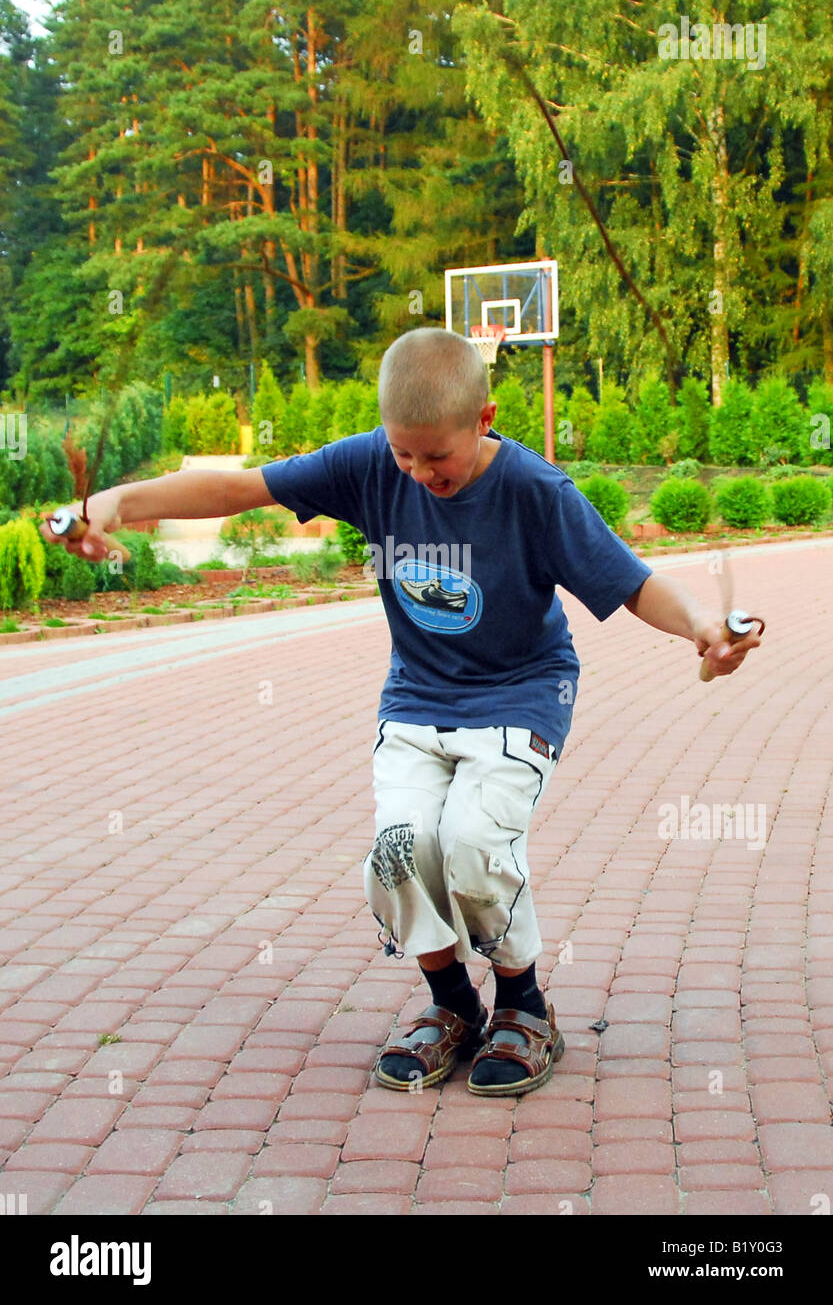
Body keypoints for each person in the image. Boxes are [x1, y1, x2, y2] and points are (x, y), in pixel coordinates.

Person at [41, 327, 762, 1098]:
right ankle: (451, 1006)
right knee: (398, 848)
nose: (417, 473)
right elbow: (236, 488)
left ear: (484, 420)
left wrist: (703, 629)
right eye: (402, 455)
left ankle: (523, 1007)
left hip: (520, 695)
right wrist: (112, 504)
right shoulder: (366, 464)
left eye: (435, 458)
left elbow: (632, 581)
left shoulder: (534, 492)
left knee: (472, 842)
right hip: (417, 699)